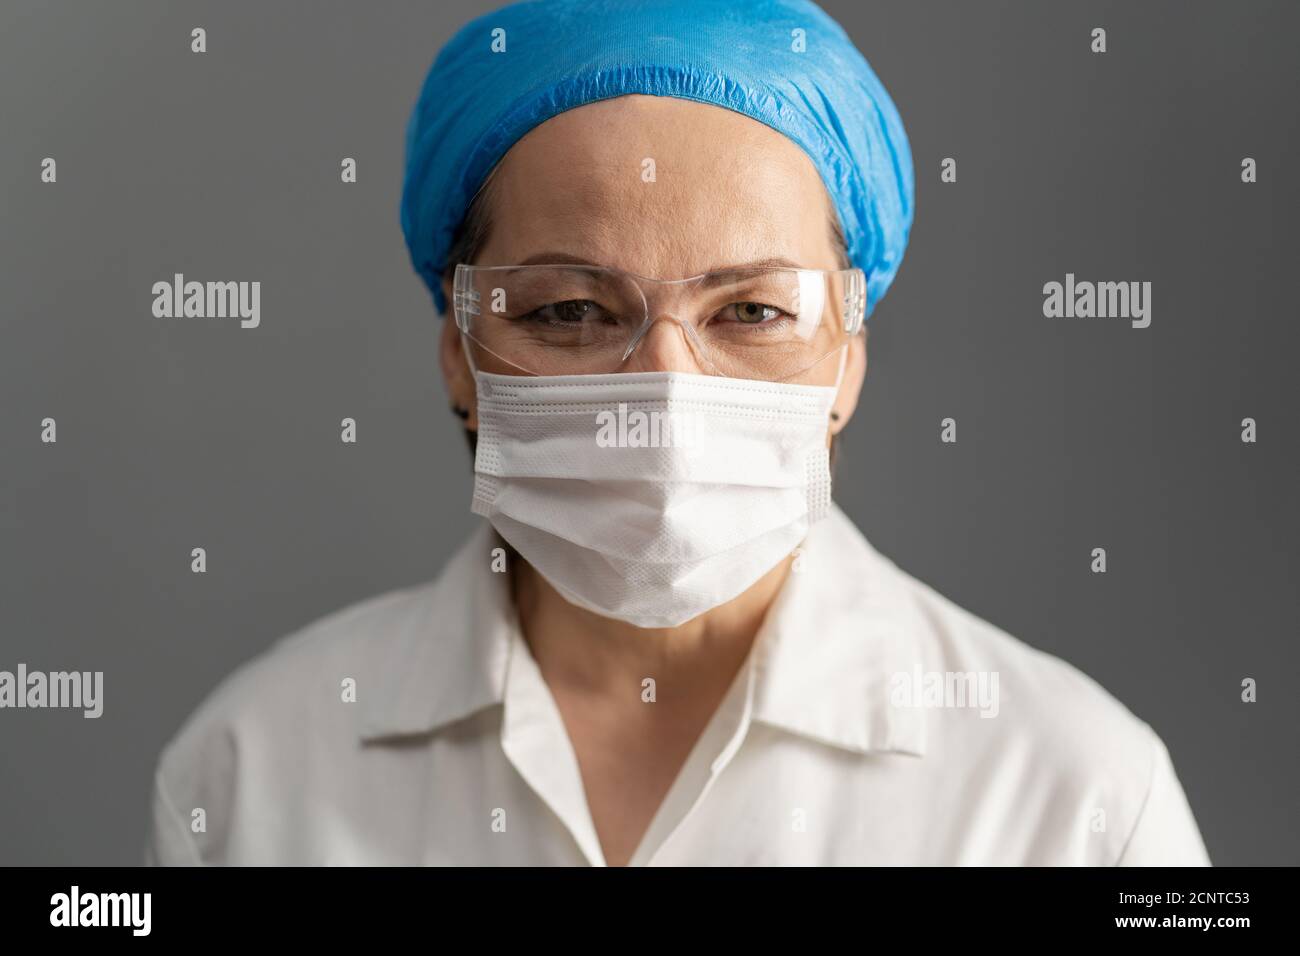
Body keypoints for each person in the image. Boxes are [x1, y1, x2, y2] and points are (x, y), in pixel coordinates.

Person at [145, 0, 1210, 866]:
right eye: (569, 310)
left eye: (749, 312)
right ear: (460, 356)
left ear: (846, 361)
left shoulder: (1077, 802)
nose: (661, 389)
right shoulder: (250, 774)